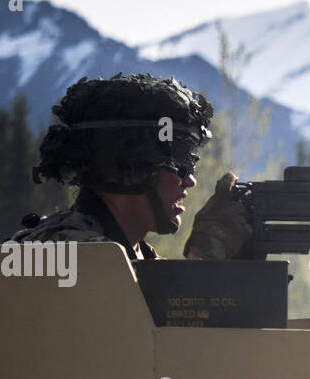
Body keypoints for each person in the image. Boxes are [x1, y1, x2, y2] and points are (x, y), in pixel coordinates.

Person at [14, 73, 251, 260]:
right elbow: (128, 304)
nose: (190, 181)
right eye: (181, 164)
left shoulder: (131, 254)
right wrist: (199, 262)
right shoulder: (71, 253)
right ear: (129, 170)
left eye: (192, 165)